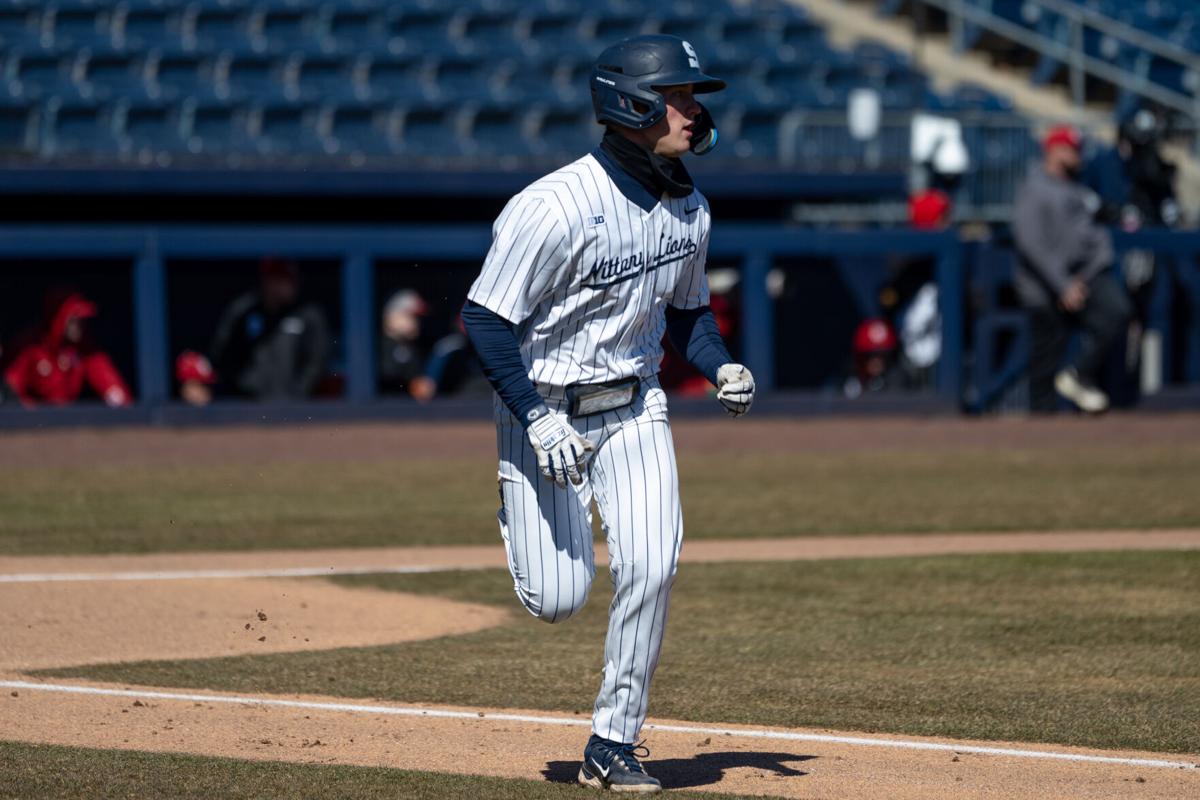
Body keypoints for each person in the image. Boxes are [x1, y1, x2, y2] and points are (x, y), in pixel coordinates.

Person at [460, 35, 752, 793]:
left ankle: (612, 741)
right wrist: (532, 416)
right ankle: (518, 499)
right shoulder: (553, 207)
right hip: (544, 412)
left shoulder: (691, 208)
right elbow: (485, 319)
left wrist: (720, 364)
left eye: (694, 97)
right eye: (678, 96)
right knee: (557, 599)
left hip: (635, 406)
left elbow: (689, 313)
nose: (692, 111)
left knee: (653, 565)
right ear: (632, 104)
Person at [1012, 125, 1132, 414]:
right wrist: (1062, 284)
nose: (1078, 155)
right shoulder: (1034, 188)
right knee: (1045, 360)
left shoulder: (1078, 187)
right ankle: (1042, 427)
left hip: (1083, 280)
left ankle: (1079, 374)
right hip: (1045, 286)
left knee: (1116, 313)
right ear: (1054, 150)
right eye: (1072, 148)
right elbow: (1032, 243)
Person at [179, 257, 330, 405]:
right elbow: (222, 354)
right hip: (248, 403)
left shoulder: (308, 314)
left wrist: (298, 393)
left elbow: (317, 360)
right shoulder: (243, 311)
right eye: (280, 279)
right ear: (266, 281)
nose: (288, 285)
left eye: (291, 279)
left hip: (292, 404)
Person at [3, 288, 132, 408]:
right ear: (58, 319)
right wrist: (32, 410)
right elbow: (10, 391)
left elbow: (113, 389)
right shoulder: (31, 347)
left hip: (67, 421)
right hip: (34, 421)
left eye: (82, 321)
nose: (79, 326)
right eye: (74, 321)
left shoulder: (84, 350)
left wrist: (121, 404)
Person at [378, 288, 435, 400]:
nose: (416, 323)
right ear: (392, 317)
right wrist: (412, 386)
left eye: (418, 318)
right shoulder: (376, 348)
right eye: (410, 316)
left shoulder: (416, 347)